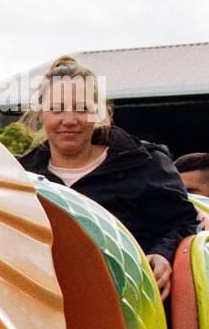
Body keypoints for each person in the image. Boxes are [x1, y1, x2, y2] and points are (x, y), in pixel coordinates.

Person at [17, 55, 197, 300]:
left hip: (130, 303)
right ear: (40, 114)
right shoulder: (20, 177)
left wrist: (164, 253)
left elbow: (183, 222)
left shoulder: (145, 162)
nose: (69, 120)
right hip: (43, 304)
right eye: (57, 109)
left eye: (81, 108)